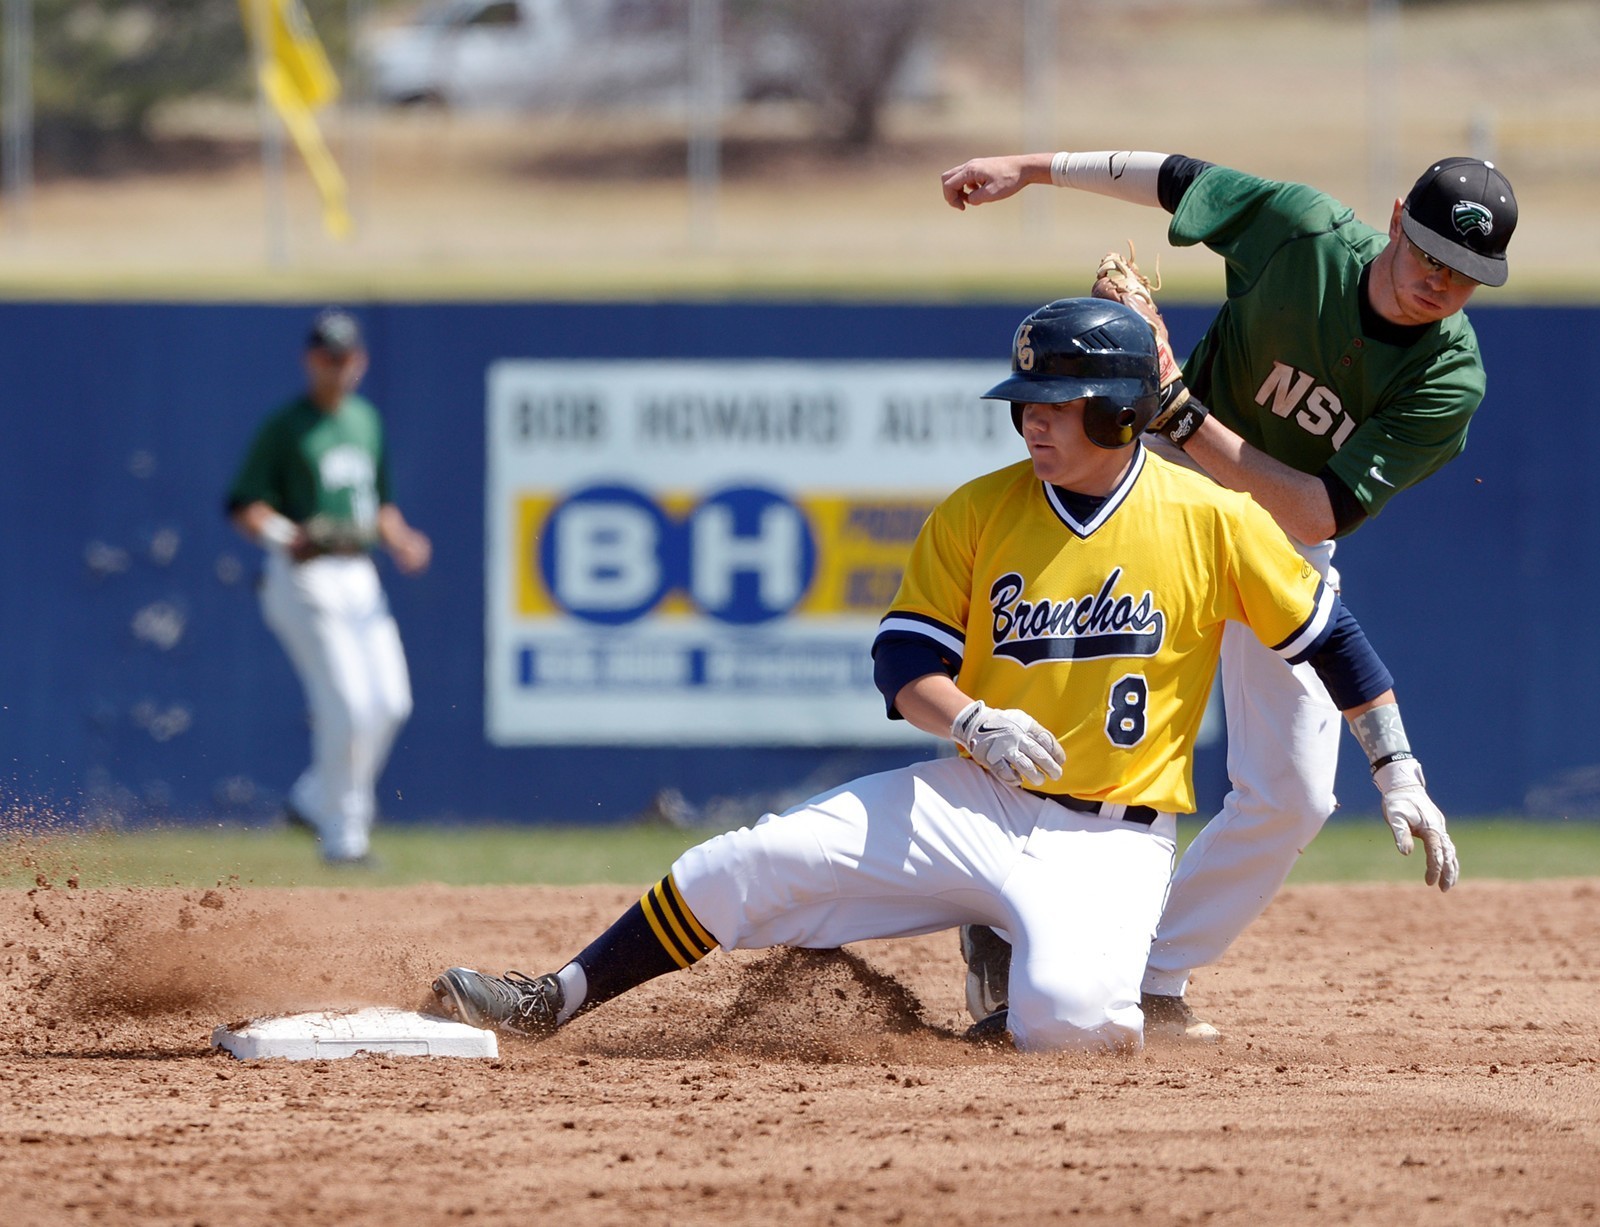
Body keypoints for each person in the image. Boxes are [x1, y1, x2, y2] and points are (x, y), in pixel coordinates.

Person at [428, 297, 1456, 1054]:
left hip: (1112, 837)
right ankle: (553, 997)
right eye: (1025, 404)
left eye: (1058, 402)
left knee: (1080, 1028)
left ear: (1119, 410)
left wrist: (1395, 768)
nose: (1033, 422)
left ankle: (1005, 971)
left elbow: (1331, 640)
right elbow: (904, 659)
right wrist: (969, 722)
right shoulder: (978, 511)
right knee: (742, 862)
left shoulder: (1212, 517)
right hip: (977, 793)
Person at [938, 150, 1511, 1041]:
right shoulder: (1301, 230)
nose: (1439, 281)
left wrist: (1181, 413)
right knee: (1068, 709)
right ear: (1397, 217)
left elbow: (1313, 505)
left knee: (1294, 795)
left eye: (1466, 273)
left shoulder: (1449, 376)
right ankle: (1004, 921)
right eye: (1431, 252)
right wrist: (1031, 170)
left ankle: (1150, 971)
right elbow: (1170, 175)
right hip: (1158, 475)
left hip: (1271, 521)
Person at [226, 308, 432, 865]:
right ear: (309, 359)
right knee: (346, 706)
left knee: (390, 702)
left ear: (360, 361)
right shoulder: (286, 425)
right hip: (304, 573)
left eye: (345, 357)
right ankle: (344, 838)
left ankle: (314, 796)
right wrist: (284, 533)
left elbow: (379, 505)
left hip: (359, 570)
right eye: (326, 356)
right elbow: (244, 504)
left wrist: (403, 539)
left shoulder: (365, 421)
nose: (336, 366)